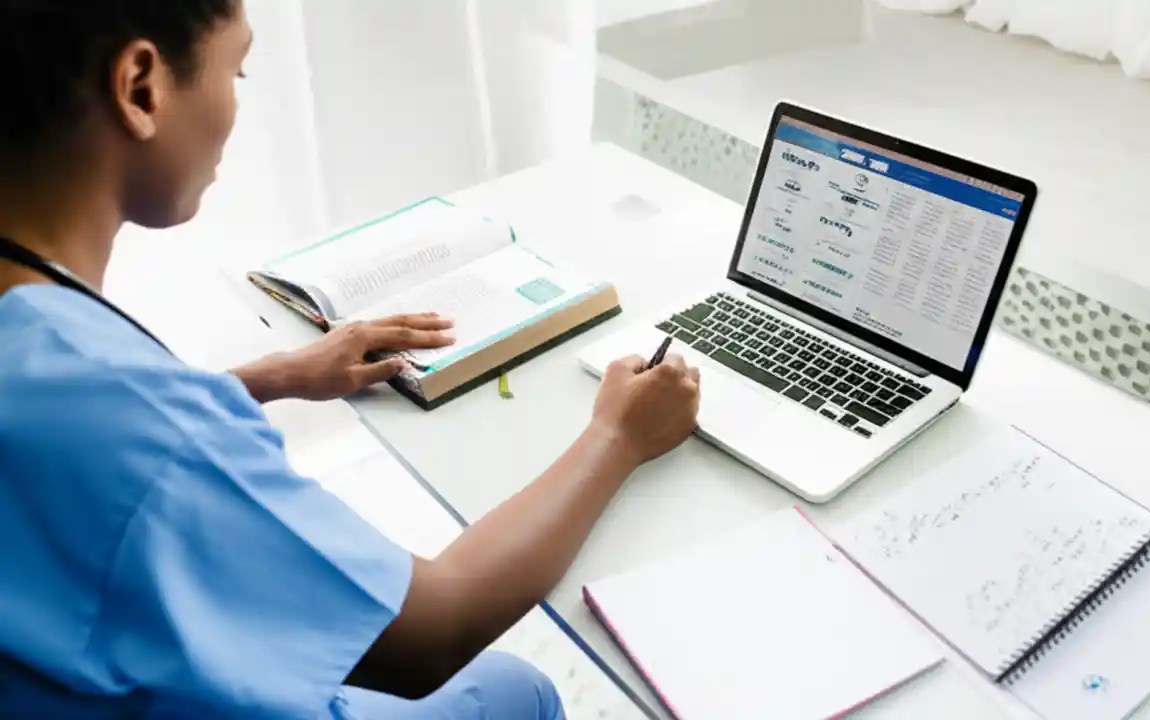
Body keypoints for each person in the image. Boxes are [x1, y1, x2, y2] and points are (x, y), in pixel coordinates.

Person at [0, 1, 701, 718]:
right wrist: (618, 435)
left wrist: (267, 377)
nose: (236, 104)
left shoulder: (39, 336)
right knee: (518, 691)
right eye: (236, 70)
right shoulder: (146, 428)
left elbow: (77, 432)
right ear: (140, 86)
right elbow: (433, 631)